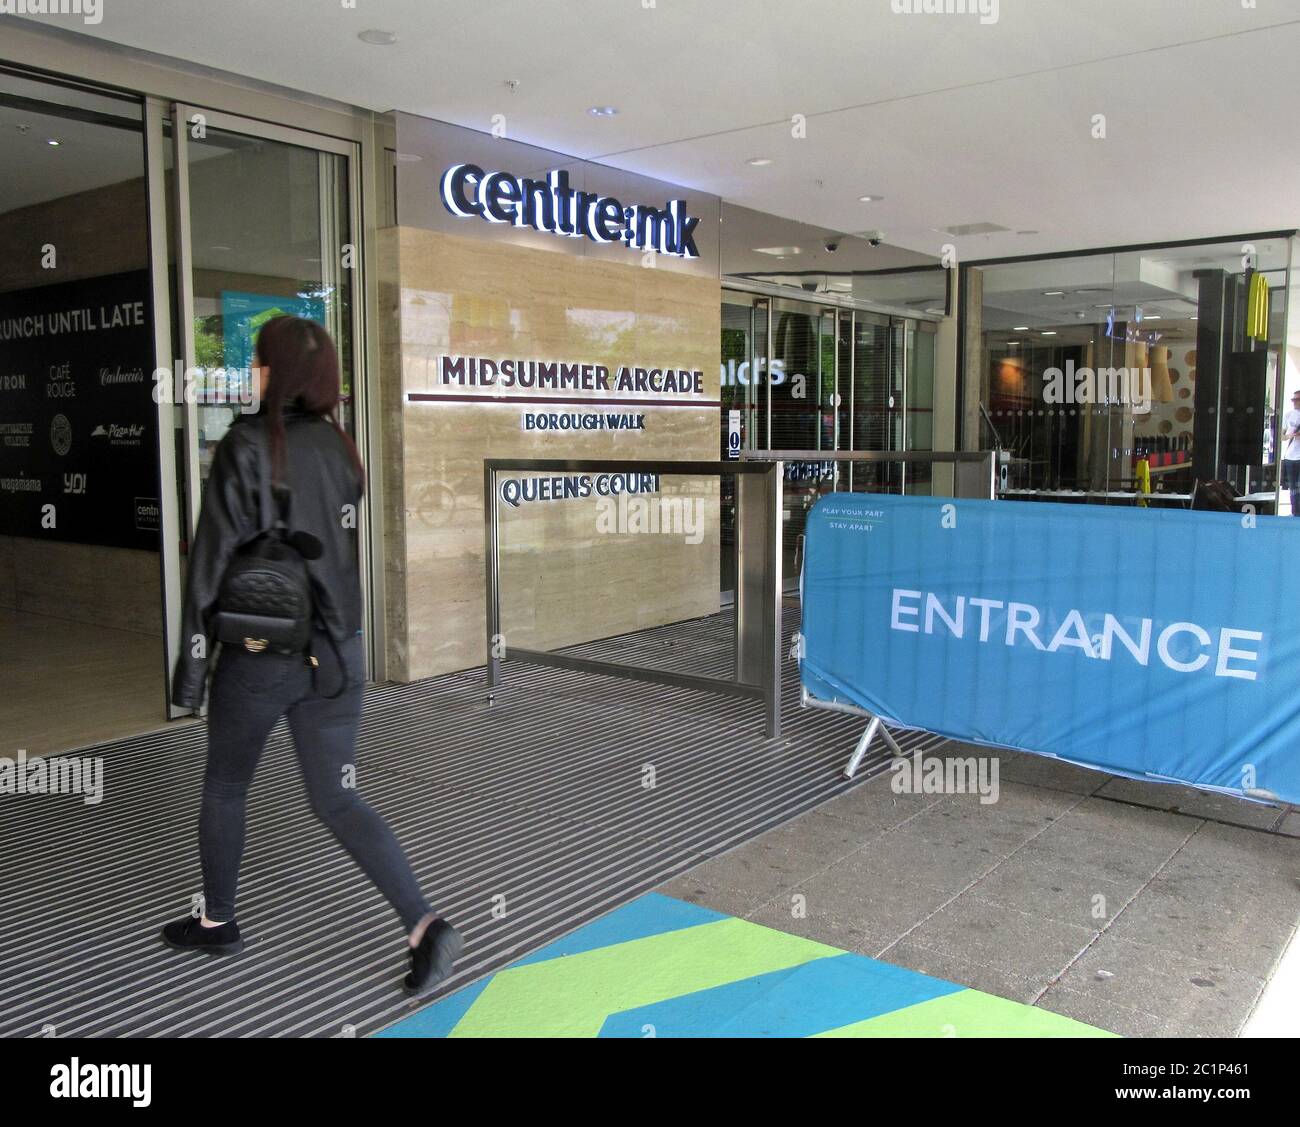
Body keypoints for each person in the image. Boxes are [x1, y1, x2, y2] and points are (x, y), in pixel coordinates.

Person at [161, 315, 461, 995]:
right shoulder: (340, 447)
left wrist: (191, 674)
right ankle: (424, 924)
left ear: (271, 373)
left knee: (226, 784)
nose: (252, 372)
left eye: (257, 361)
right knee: (336, 796)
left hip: (262, 656)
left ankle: (217, 921)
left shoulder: (244, 446)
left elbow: (208, 569)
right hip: (337, 654)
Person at [1283, 389, 1300, 515]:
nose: (1294, 402)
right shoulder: (1289, 415)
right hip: (1291, 456)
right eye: (1293, 399)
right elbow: (1282, 436)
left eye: (1297, 399)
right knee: (1293, 487)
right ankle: (1294, 511)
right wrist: (1292, 435)